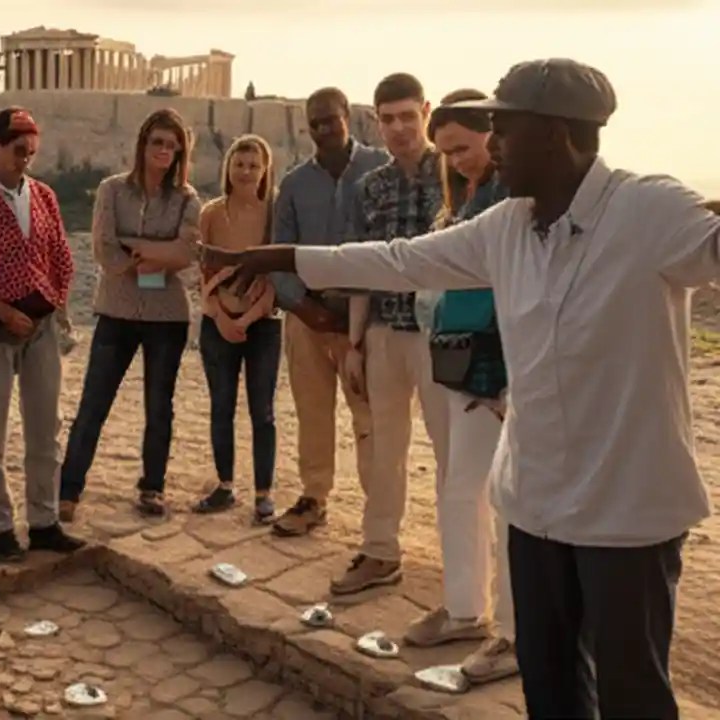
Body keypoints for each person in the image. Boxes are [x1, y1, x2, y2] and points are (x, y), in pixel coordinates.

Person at [204, 57, 718, 720]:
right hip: (535, 506)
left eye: (505, 127)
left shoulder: (647, 208)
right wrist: (275, 258)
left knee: (632, 692)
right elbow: (400, 259)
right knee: (551, 682)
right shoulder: (507, 225)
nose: (493, 143)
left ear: (557, 133)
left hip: (627, 512)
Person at [403, 90, 517, 685]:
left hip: (490, 373)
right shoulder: (470, 195)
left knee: (502, 499)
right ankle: (467, 608)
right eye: (447, 152)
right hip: (458, 363)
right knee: (460, 491)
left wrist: (497, 383)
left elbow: (507, 292)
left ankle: (511, 634)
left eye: (464, 148)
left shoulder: (507, 196)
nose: (458, 160)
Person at [334, 73, 448, 595]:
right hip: (384, 331)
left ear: (426, 111)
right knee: (384, 451)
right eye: (388, 118)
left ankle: (463, 566)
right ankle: (380, 551)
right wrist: (355, 344)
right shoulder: (371, 187)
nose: (399, 127)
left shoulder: (452, 174)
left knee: (454, 453)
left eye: (407, 115)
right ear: (376, 122)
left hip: (442, 336)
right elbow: (363, 270)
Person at [57, 108, 202, 519]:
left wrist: (136, 246)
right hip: (116, 309)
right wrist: (154, 253)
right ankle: (68, 489)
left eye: (172, 146)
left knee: (160, 405)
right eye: (157, 142)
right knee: (94, 401)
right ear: (143, 144)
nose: (163, 151)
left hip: (167, 315)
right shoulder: (112, 190)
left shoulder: (187, 199)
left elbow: (187, 251)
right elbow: (103, 249)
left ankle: (152, 486)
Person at [0, 108, 86, 561]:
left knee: (44, 430)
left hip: (41, 326)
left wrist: (54, 303)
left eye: (31, 152)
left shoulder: (44, 195)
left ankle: (44, 520)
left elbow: (59, 255)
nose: (24, 160)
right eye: (17, 151)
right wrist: (5, 312)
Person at [268, 87, 389, 538]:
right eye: (314, 123)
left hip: (365, 317)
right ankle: (313, 496)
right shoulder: (296, 184)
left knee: (369, 417)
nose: (322, 130)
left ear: (348, 118)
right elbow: (279, 254)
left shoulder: (380, 170)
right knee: (312, 412)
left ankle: (378, 509)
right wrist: (304, 306)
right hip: (307, 318)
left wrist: (355, 311)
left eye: (330, 120)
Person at [190, 134, 281, 524]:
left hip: (262, 323)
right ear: (228, 166)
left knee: (262, 411)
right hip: (217, 322)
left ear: (264, 170)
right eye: (239, 164)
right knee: (221, 407)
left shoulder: (275, 213)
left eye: (253, 166)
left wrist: (246, 318)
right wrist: (220, 315)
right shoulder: (211, 213)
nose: (246, 172)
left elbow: (277, 274)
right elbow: (203, 270)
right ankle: (225, 486)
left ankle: (264, 493)